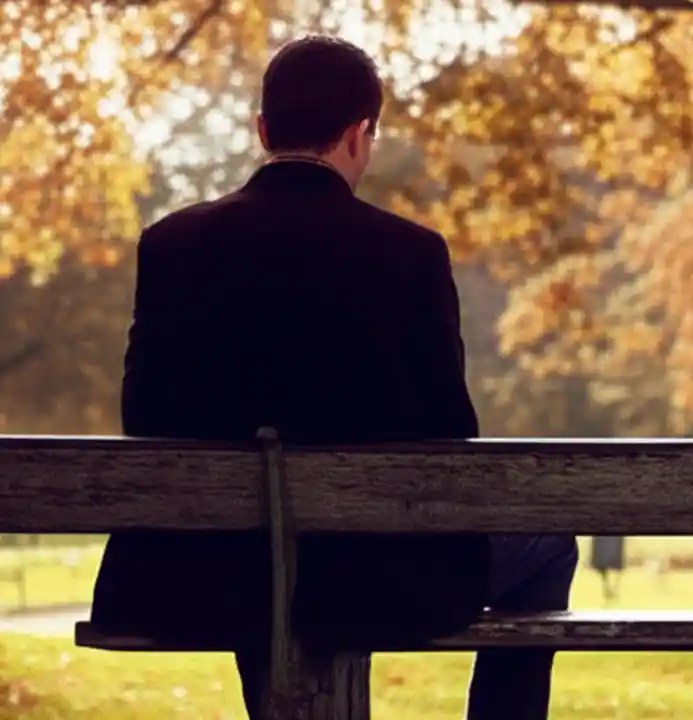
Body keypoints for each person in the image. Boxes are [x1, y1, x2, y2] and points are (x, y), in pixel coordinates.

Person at [88, 36, 576, 720]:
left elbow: (145, 415)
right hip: (379, 580)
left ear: (263, 131)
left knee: (265, 550)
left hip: (196, 577)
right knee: (549, 545)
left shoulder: (173, 244)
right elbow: (449, 436)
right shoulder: (410, 254)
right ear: (359, 133)